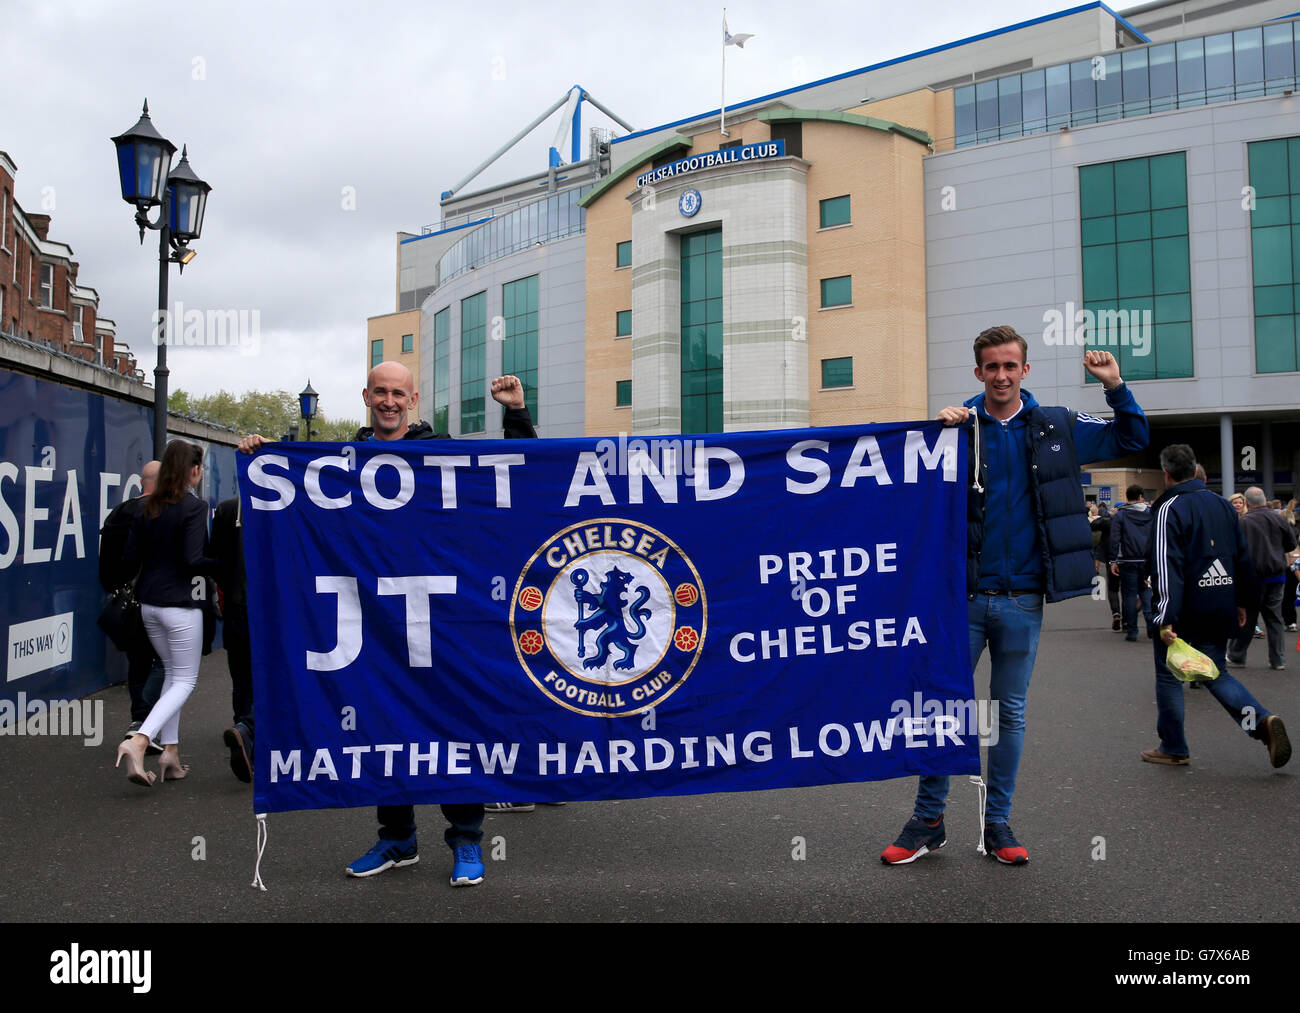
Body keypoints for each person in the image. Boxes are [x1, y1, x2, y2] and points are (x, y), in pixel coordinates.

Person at [237, 364, 536, 887]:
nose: (389, 401)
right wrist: (263, 455)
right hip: (372, 622)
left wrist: (515, 414)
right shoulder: (338, 463)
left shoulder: (438, 452)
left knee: (453, 727)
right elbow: (292, 504)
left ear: (413, 399)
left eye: (399, 393)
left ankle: (466, 841)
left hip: (440, 619)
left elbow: (515, 475)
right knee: (381, 725)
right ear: (366, 396)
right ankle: (396, 838)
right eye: (381, 392)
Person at [880, 326, 1148, 866]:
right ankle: (929, 819)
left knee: (1007, 714)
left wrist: (1114, 386)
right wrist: (936, 431)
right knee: (941, 709)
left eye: (1010, 366)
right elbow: (901, 487)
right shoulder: (957, 429)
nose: (1001, 376)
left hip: (1023, 599)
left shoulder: (1057, 425)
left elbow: (1133, 440)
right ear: (978, 372)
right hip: (962, 600)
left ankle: (997, 821)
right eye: (991, 367)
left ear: (1025, 371)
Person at [1142, 446, 1290, 769]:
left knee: (1169, 676)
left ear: (1166, 474)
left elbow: (1167, 565)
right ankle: (1260, 721)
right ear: (1196, 470)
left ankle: (1174, 746)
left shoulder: (1168, 508)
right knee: (1215, 673)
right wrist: (1243, 602)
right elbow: (1241, 557)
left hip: (1183, 608)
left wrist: (1164, 616)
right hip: (1220, 599)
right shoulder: (1223, 506)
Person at [114, 440, 214, 787]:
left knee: (173, 675)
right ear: (194, 471)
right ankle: (140, 741)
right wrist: (224, 563)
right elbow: (193, 560)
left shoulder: (145, 507)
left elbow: (129, 559)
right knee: (186, 680)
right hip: (181, 605)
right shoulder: (195, 506)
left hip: (149, 605)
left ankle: (170, 753)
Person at [99, 460, 165, 749]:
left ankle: (139, 718)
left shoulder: (118, 513)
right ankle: (144, 723)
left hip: (125, 602)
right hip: (157, 599)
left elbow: (105, 565)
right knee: (165, 663)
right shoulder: (161, 512)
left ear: (141, 482)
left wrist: (116, 590)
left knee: (137, 663)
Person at [1228, 487, 1297, 671]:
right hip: (1276, 575)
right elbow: (1291, 543)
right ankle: (1278, 660)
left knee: (1247, 618)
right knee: (1275, 619)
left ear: (1247, 503)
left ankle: (1237, 656)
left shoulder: (1243, 522)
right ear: (1264, 499)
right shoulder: (1279, 518)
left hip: (1251, 577)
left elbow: (1234, 550)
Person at [211, 493, 254, 783]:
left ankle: (243, 724)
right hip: (271, 607)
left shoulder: (228, 509)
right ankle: (248, 731)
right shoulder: (288, 506)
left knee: (241, 674)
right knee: (272, 674)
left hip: (238, 605)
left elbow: (216, 561)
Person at [1109, 484, 1154, 641]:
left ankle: (1132, 630)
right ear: (1141, 496)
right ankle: (1150, 625)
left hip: (1127, 559)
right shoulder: (1151, 513)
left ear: (1127, 497)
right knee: (1146, 591)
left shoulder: (1120, 515)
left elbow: (1114, 539)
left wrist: (1112, 560)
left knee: (1129, 595)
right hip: (1147, 559)